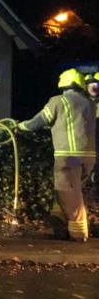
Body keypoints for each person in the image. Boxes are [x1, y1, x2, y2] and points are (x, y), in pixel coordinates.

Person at [17, 69, 96, 241]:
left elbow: (38, 122)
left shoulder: (58, 101)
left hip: (67, 157)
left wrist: (20, 126)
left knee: (67, 191)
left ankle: (78, 232)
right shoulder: (89, 103)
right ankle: (59, 220)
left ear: (63, 84)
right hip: (89, 158)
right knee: (71, 191)